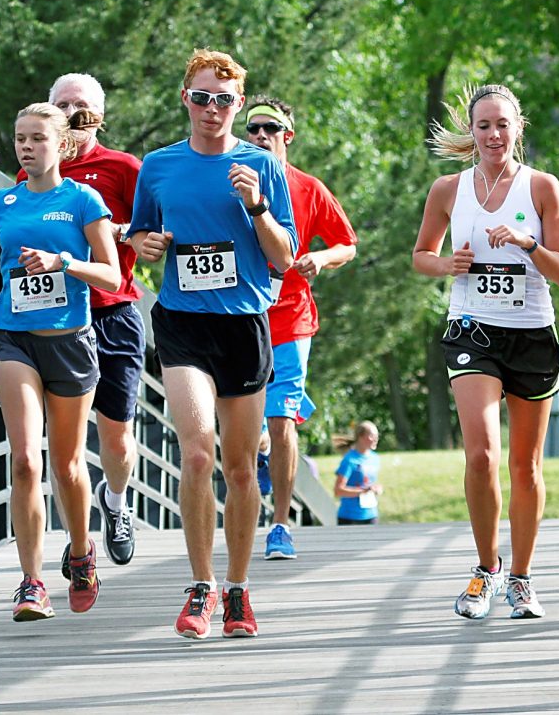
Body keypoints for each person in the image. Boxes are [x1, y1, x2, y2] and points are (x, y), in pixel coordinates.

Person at [127, 49, 297, 639]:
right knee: (197, 453)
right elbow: (141, 232)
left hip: (244, 323)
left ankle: (238, 590)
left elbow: (284, 256)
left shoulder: (261, 166)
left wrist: (256, 207)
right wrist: (145, 245)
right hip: (183, 322)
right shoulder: (159, 165)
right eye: (201, 98)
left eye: (223, 100)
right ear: (185, 100)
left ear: (239, 104)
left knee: (241, 468)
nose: (211, 109)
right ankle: (200, 588)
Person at [413, 83, 559, 621]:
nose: (493, 134)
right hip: (471, 329)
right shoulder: (447, 189)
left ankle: (522, 579)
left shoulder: (543, 188)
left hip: (531, 334)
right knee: (481, 455)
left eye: (502, 124)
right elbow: (421, 256)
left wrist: (528, 245)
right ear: (472, 132)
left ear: (518, 127)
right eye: (483, 125)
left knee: (525, 466)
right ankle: (487, 569)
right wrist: (446, 265)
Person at [0, 103, 121, 621]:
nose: (26, 147)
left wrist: (63, 263)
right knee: (26, 460)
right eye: (19, 139)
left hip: (71, 343)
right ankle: (31, 582)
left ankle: (81, 553)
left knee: (68, 463)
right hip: (15, 339)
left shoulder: (82, 199)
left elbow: (112, 276)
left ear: (61, 146)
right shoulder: (2, 202)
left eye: (37, 139)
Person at [15, 74, 146, 574]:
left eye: (81, 107)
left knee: (115, 436)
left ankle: (116, 501)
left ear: (98, 115)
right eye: (62, 106)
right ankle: (74, 541)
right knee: (51, 446)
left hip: (110, 312)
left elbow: (153, 227)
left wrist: (118, 231)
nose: (71, 114)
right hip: (49, 319)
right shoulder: (29, 174)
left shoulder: (122, 168)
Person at [242, 95, 358, 560]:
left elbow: (346, 244)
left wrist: (320, 258)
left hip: (291, 316)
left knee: (281, 417)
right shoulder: (227, 180)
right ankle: (267, 442)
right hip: (239, 315)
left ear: (287, 135)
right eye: (253, 130)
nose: (261, 136)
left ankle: (280, 525)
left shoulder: (307, 188)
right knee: (249, 424)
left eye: (270, 128)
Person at [333, 421, 384, 525]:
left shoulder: (375, 458)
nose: (376, 439)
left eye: (377, 436)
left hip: (371, 515)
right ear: (361, 437)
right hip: (350, 517)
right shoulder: (349, 460)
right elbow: (338, 491)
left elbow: (369, 482)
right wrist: (362, 491)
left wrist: (377, 489)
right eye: (372, 436)